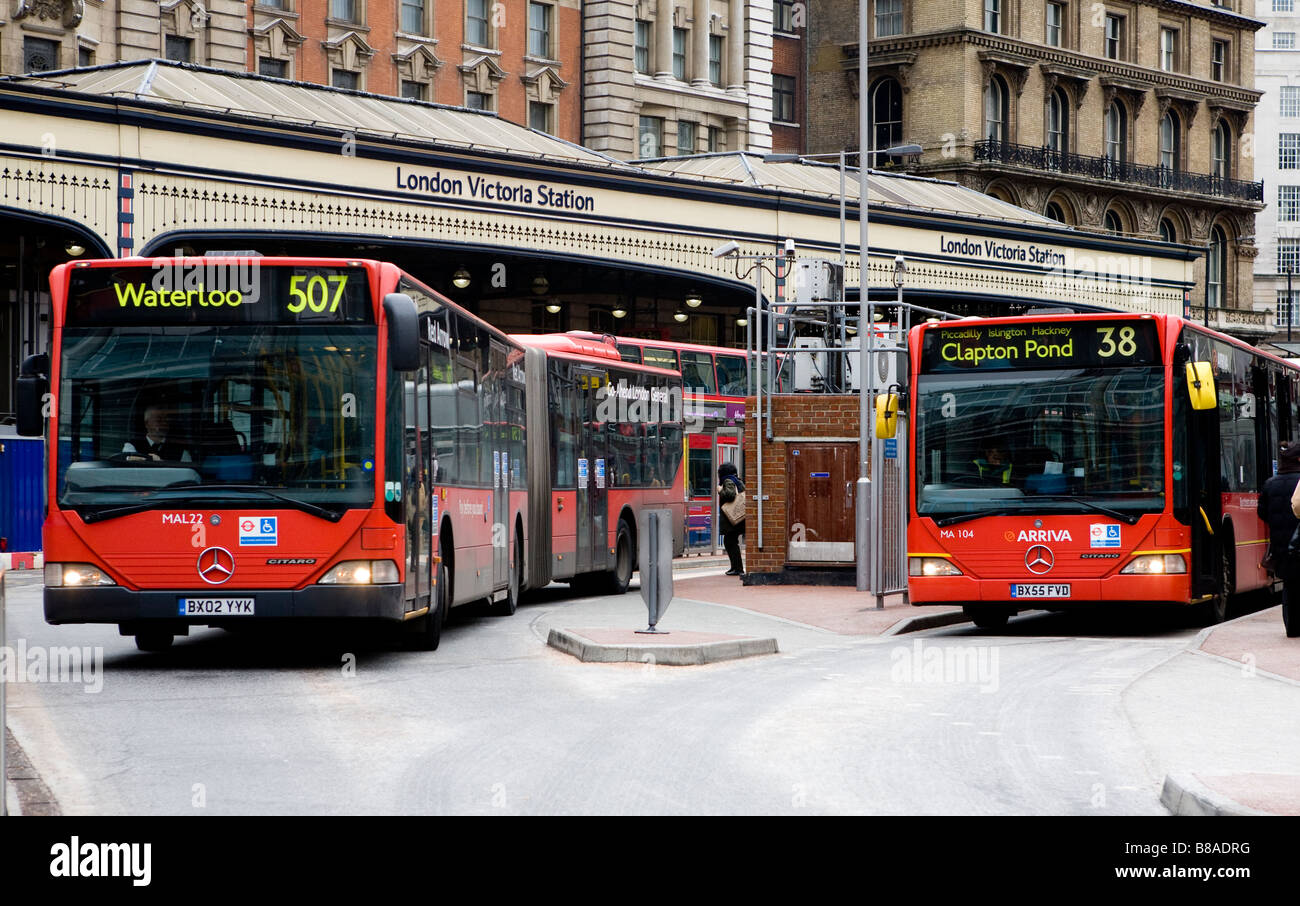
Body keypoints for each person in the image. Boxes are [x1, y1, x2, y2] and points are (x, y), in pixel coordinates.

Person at [123, 404, 191, 462]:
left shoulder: (180, 451)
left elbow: (187, 473)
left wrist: (160, 462)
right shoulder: (132, 446)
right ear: (147, 424)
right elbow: (125, 462)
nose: (164, 422)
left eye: (166, 419)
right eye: (159, 419)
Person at [718, 461, 745, 577]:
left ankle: (737, 568)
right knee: (731, 542)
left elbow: (729, 495)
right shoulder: (736, 480)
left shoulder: (728, 481)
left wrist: (720, 490)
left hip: (732, 519)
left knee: (730, 542)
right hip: (738, 518)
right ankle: (736, 567)